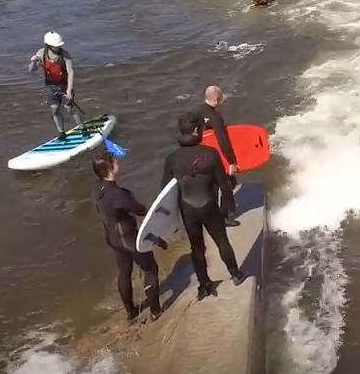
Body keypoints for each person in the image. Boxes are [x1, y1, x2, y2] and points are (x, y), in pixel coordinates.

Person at [162, 112, 246, 300]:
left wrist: (172, 218)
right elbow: (224, 183)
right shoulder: (210, 153)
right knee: (222, 242)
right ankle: (236, 275)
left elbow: (166, 191)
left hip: (188, 210)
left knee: (197, 248)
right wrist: (229, 205)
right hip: (209, 206)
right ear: (195, 130)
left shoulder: (172, 158)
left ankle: (204, 284)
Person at [92, 152, 163, 322]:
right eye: (114, 161)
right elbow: (139, 209)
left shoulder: (97, 190)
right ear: (109, 168)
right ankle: (155, 311)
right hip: (130, 239)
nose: (118, 163)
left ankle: (130, 313)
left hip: (113, 238)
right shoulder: (118, 194)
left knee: (124, 272)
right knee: (150, 269)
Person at [28, 31, 86, 139]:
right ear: (48, 45)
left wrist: (69, 90)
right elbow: (31, 70)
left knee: (69, 108)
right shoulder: (41, 53)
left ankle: (83, 129)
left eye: (59, 45)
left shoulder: (65, 54)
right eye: (56, 46)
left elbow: (71, 72)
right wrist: (33, 62)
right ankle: (61, 133)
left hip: (64, 84)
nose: (58, 47)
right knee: (55, 108)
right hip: (51, 85)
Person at [191, 86, 243, 189]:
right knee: (230, 184)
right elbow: (222, 140)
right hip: (212, 157)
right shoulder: (215, 117)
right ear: (216, 100)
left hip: (197, 157)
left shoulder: (195, 113)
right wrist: (231, 162)